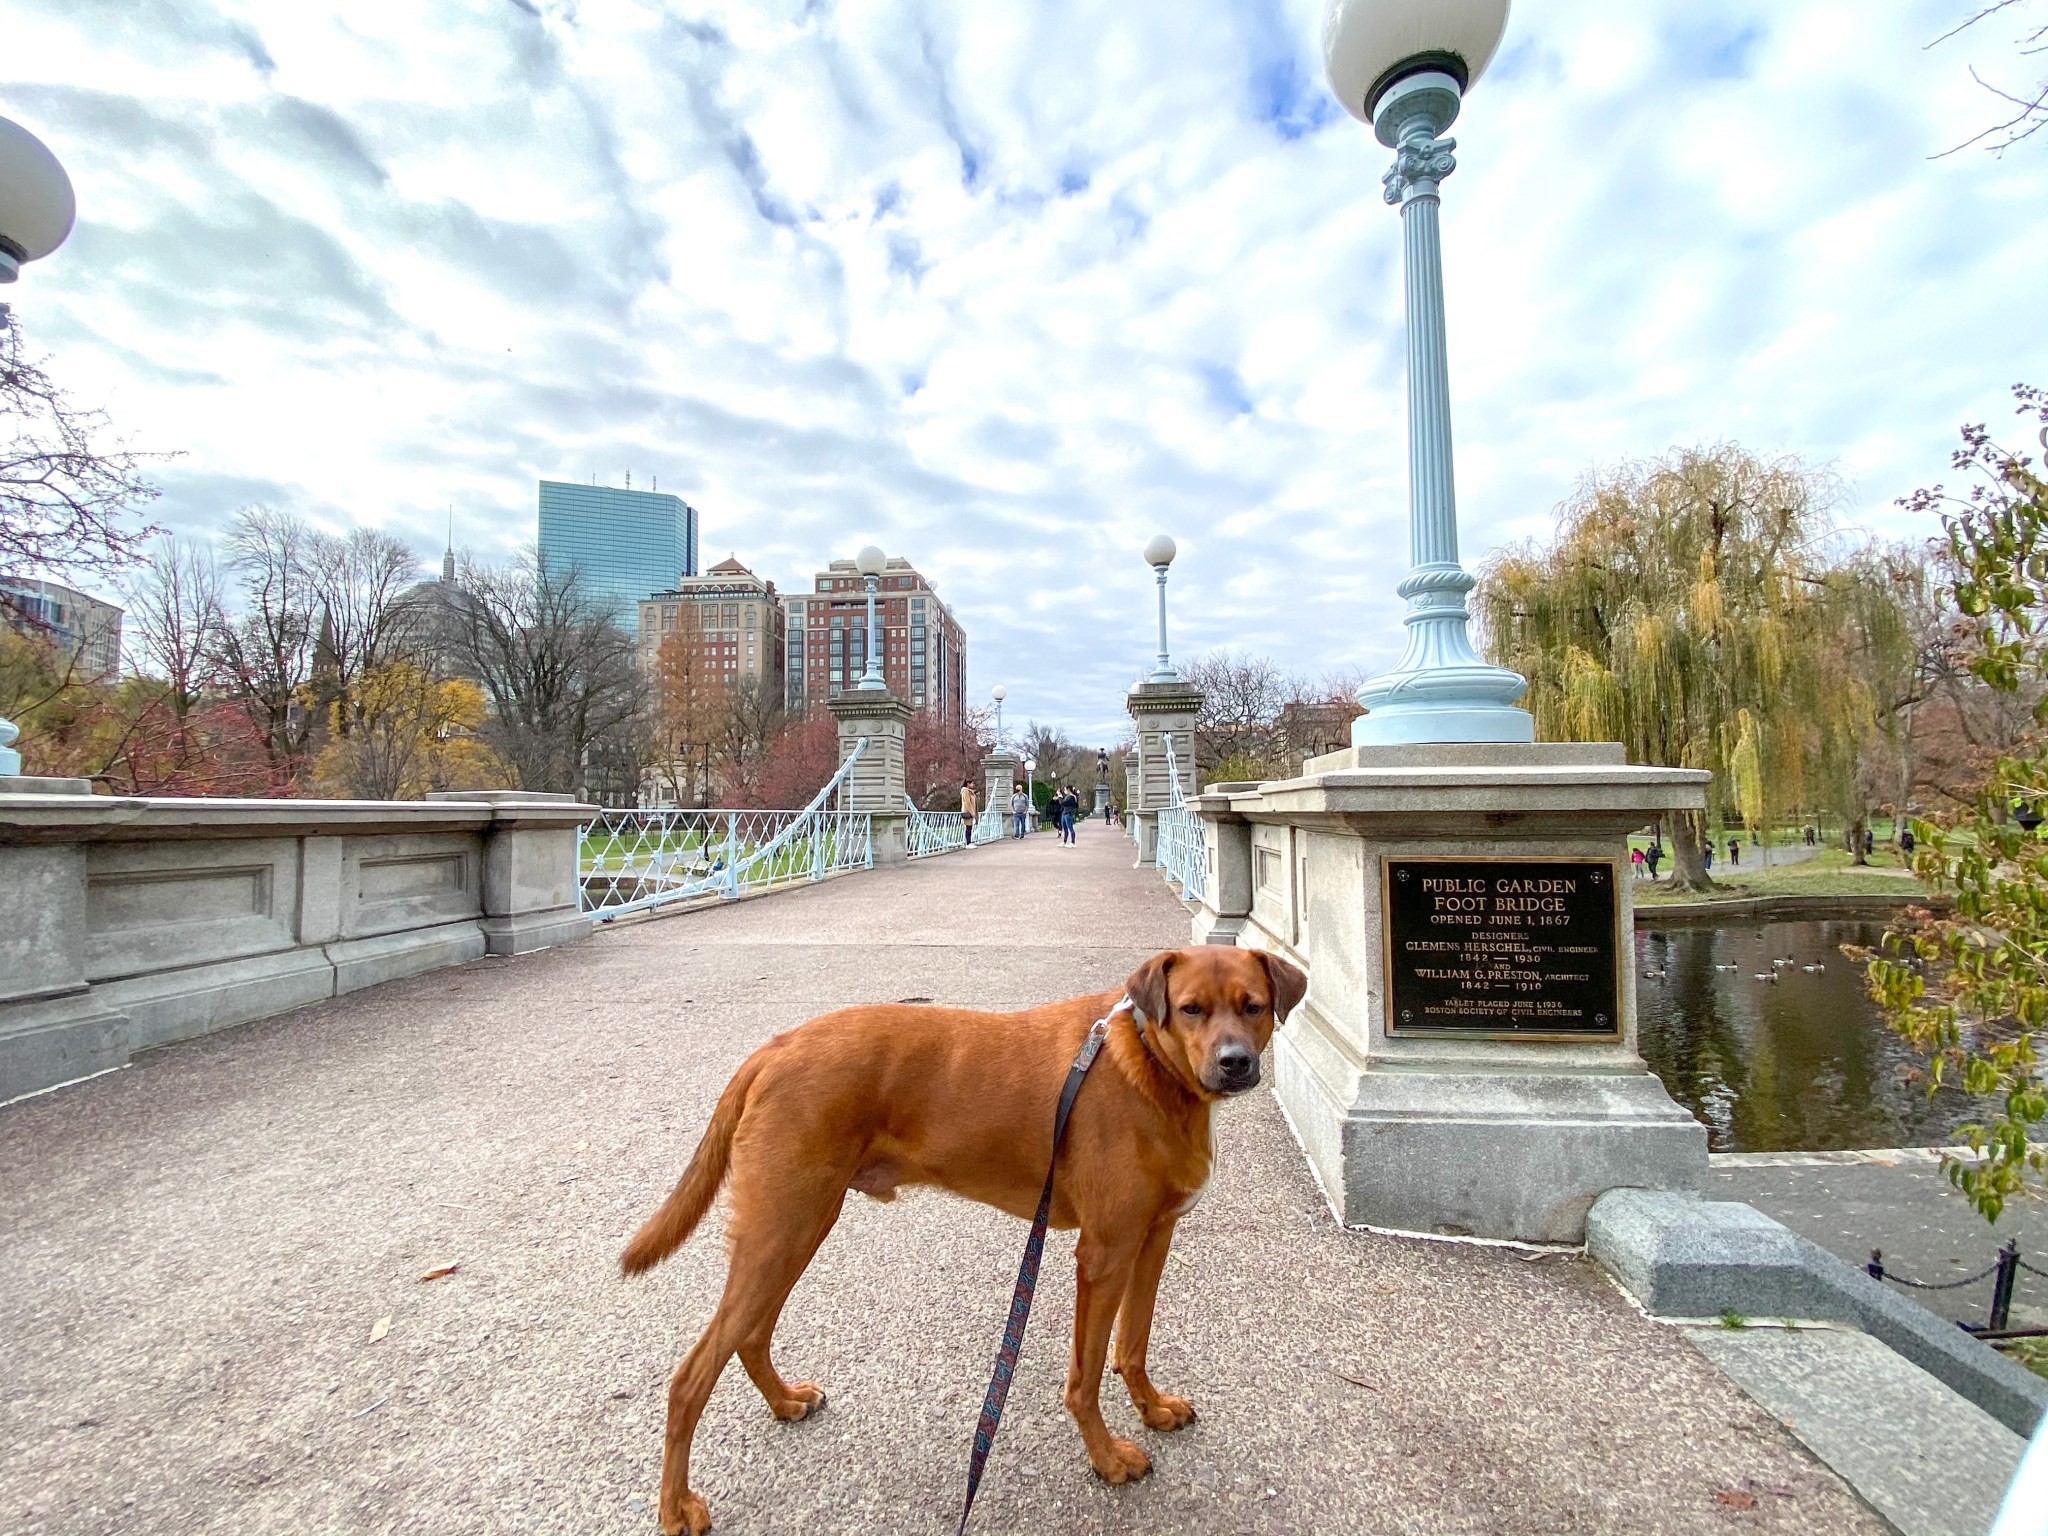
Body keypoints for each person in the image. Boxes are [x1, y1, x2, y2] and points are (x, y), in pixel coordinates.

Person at [960, 779, 977, 845]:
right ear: (968, 783)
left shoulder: (969, 791)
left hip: (970, 812)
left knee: (969, 827)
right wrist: (972, 813)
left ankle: (969, 842)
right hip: (967, 812)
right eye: (972, 783)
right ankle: (968, 843)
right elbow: (967, 802)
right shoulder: (965, 791)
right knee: (968, 828)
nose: (973, 785)